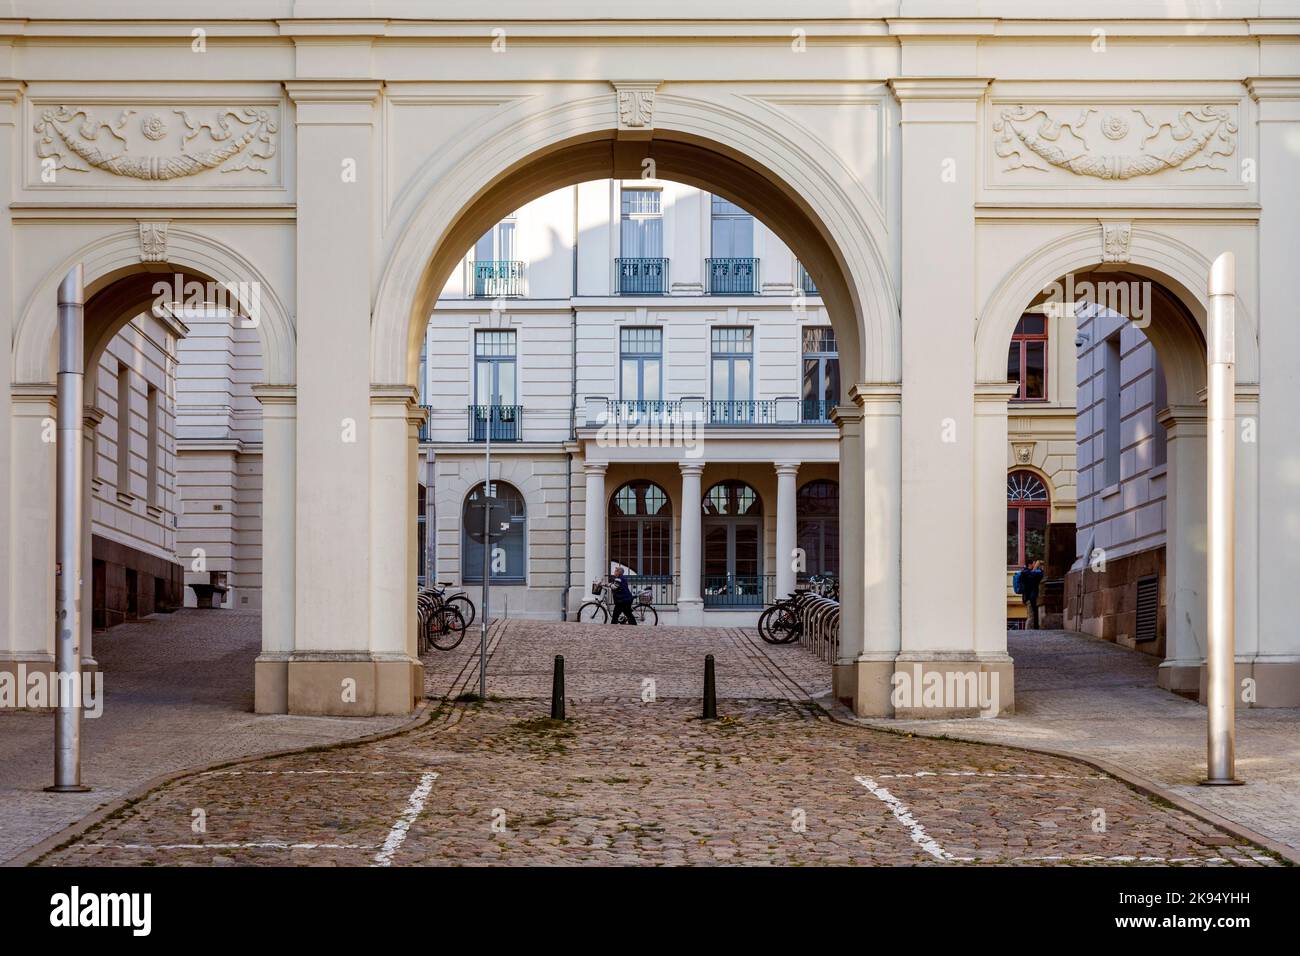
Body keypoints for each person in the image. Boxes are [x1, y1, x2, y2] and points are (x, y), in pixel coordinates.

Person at [1021, 559, 1045, 629]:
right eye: (1034, 563)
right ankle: (1028, 632)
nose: (1035, 565)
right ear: (1030, 564)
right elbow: (1034, 576)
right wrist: (1036, 567)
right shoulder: (1026, 573)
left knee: (1032, 616)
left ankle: (1031, 630)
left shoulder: (1027, 572)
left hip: (1029, 598)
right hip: (1030, 598)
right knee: (1031, 616)